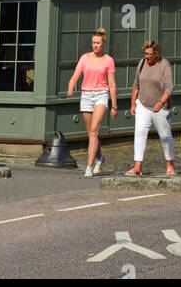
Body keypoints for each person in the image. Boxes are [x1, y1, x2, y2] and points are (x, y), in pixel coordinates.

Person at [67, 28, 117, 176]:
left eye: (98, 43)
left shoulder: (109, 60)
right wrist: (71, 86)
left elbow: (112, 84)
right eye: (93, 43)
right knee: (91, 133)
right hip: (86, 95)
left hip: (101, 94)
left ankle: (89, 167)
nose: (95, 45)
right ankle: (100, 158)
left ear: (103, 44)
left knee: (94, 130)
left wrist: (114, 105)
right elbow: (75, 76)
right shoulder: (85, 58)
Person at [126, 40, 175, 176]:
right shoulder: (142, 63)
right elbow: (135, 85)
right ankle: (137, 167)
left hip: (160, 106)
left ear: (157, 54)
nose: (147, 57)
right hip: (143, 103)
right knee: (140, 132)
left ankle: (169, 165)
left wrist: (161, 102)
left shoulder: (164, 65)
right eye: (145, 53)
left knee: (165, 136)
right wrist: (133, 104)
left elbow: (169, 87)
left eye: (150, 54)